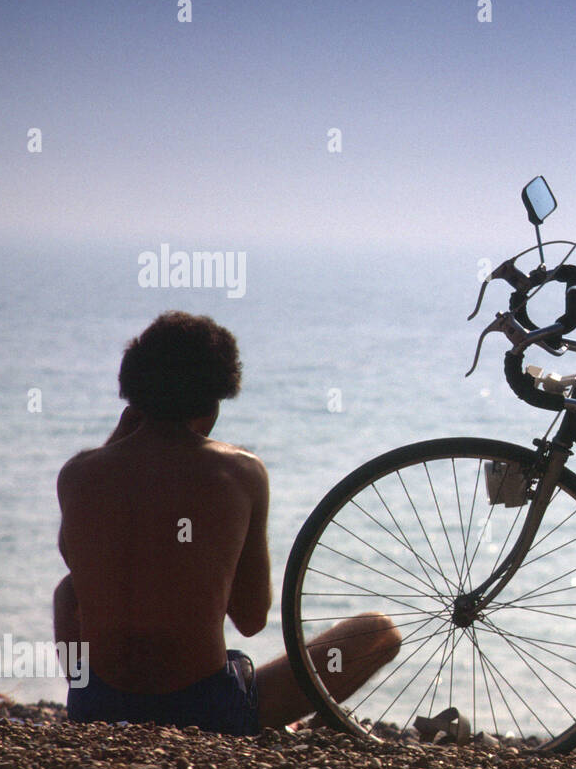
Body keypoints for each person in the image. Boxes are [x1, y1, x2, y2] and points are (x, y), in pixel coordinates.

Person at [54, 311, 401, 734]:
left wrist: (119, 440)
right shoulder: (240, 473)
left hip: (99, 705)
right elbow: (252, 618)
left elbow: (76, 562)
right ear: (215, 399)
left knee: (67, 590)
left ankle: (85, 704)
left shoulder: (78, 474)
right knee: (379, 632)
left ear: (134, 394)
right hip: (206, 711)